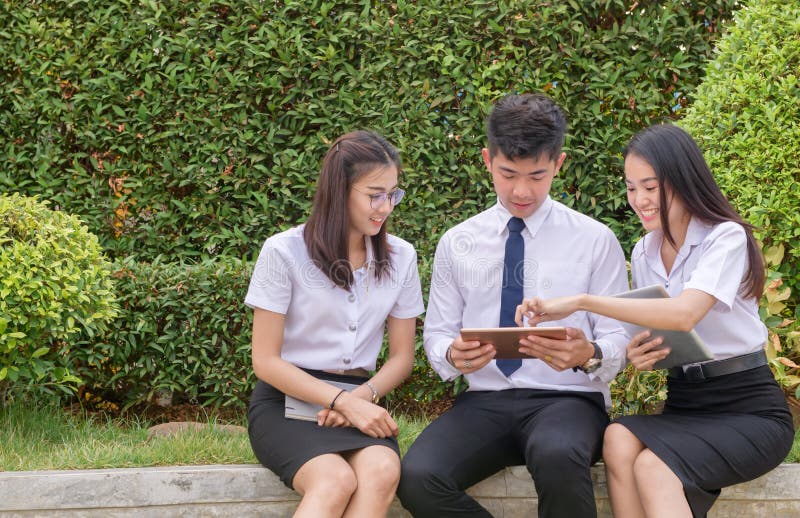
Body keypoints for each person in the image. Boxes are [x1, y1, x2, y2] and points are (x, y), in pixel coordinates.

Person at [517, 123, 795, 517]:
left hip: (748, 407)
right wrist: (638, 352)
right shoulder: (644, 251)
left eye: (651, 186)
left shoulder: (724, 238)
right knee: (617, 436)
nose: (640, 200)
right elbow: (655, 333)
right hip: (687, 401)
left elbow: (683, 314)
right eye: (632, 188)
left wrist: (583, 300)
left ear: (682, 181)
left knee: (653, 466)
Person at [397, 93, 630, 517]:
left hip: (570, 401)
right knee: (417, 475)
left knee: (557, 454)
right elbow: (438, 333)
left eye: (537, 176)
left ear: (559, 164)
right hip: (485, 400)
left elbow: (619, 338)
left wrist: (590, 355)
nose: (521, 190)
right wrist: (452, 354)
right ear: (487, 160)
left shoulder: (595, 240)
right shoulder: (457, 241)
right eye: (507, 174)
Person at [245, 130, 424, 517]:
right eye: (374, 194)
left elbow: (402, 357)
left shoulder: (403, 258)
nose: (386, 206)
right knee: (334, 480)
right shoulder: (284, 251)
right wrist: (339, 401)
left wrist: (358, 402)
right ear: (339, 190)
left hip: (364, 395)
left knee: (382, 471)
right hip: (287, 403)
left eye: (393, 194)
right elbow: (265, 361)